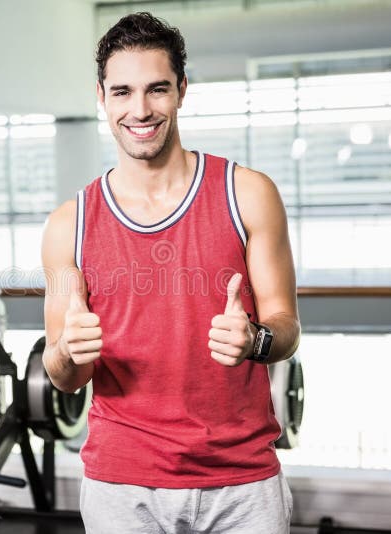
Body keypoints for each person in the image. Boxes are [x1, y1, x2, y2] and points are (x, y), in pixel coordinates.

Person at [40, 11, 301, 534]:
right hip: (121, 488)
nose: (140, 109)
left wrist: (255, 339)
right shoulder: (68, 224)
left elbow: (286, 327)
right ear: (101, 96)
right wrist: (70, 351)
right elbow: (62, 375)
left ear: (182, 89)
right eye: (122, 92)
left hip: (242, 485)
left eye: (157, 89)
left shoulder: (248, 193)